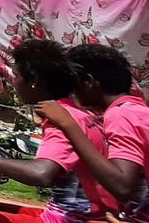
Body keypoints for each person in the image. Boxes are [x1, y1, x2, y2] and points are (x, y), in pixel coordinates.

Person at [0, 40, 118, 223]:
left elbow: (42, 174)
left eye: (16, 76)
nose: (14, 83)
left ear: (34, 81)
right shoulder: (79, 113)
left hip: (68, 219)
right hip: (77, 213)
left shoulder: (61, 119)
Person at [37, 45, 148, 222]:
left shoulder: (121, 114)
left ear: (88, 82)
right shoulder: (139, 111)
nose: (72, 91)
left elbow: (122, 186)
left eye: (74, 83)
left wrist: (68, 124)